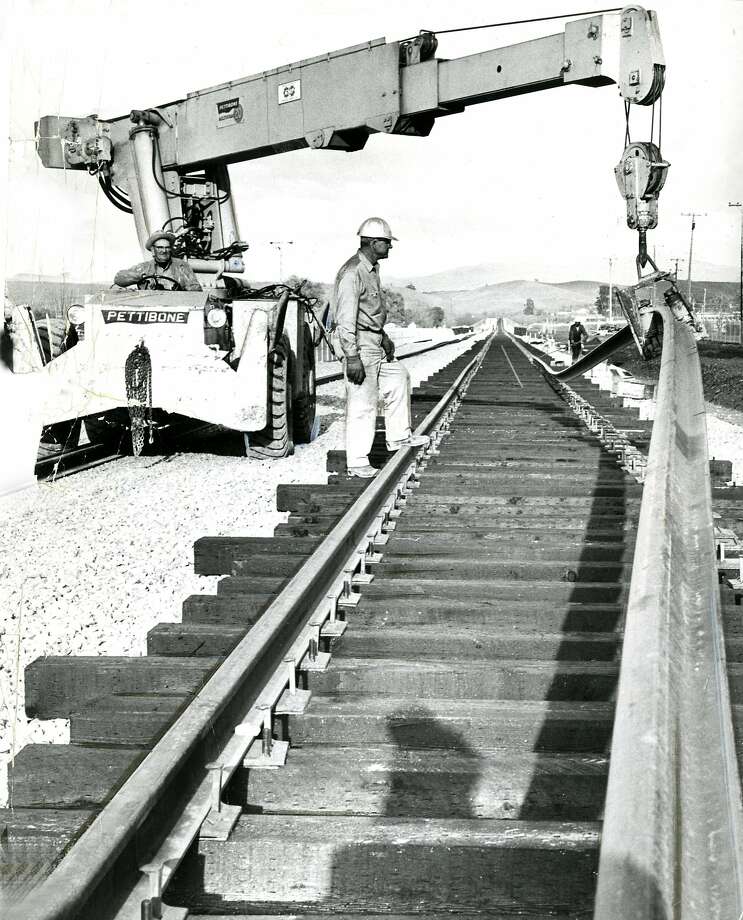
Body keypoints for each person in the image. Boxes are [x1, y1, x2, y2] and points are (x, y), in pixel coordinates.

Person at [331, 217, 429, 478]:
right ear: (373, 243)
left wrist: (383, 335)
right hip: (361, 346)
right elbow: (345, 319)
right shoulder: (352, 273)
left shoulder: (371, 269)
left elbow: (368, 311)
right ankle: (357, 461)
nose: (390, 247)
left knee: (399, 376)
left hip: (375, 341)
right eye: (387, 242)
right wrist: (352, 357)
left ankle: (398, 438)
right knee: (363, 402)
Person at [113, 231, 202, 291]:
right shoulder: (144, 267)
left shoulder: (182, 266)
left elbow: (196, 290)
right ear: (153, 250)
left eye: (167, 247)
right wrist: (140, 277)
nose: (164, 251)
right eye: (160, 247)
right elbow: (118, 278)